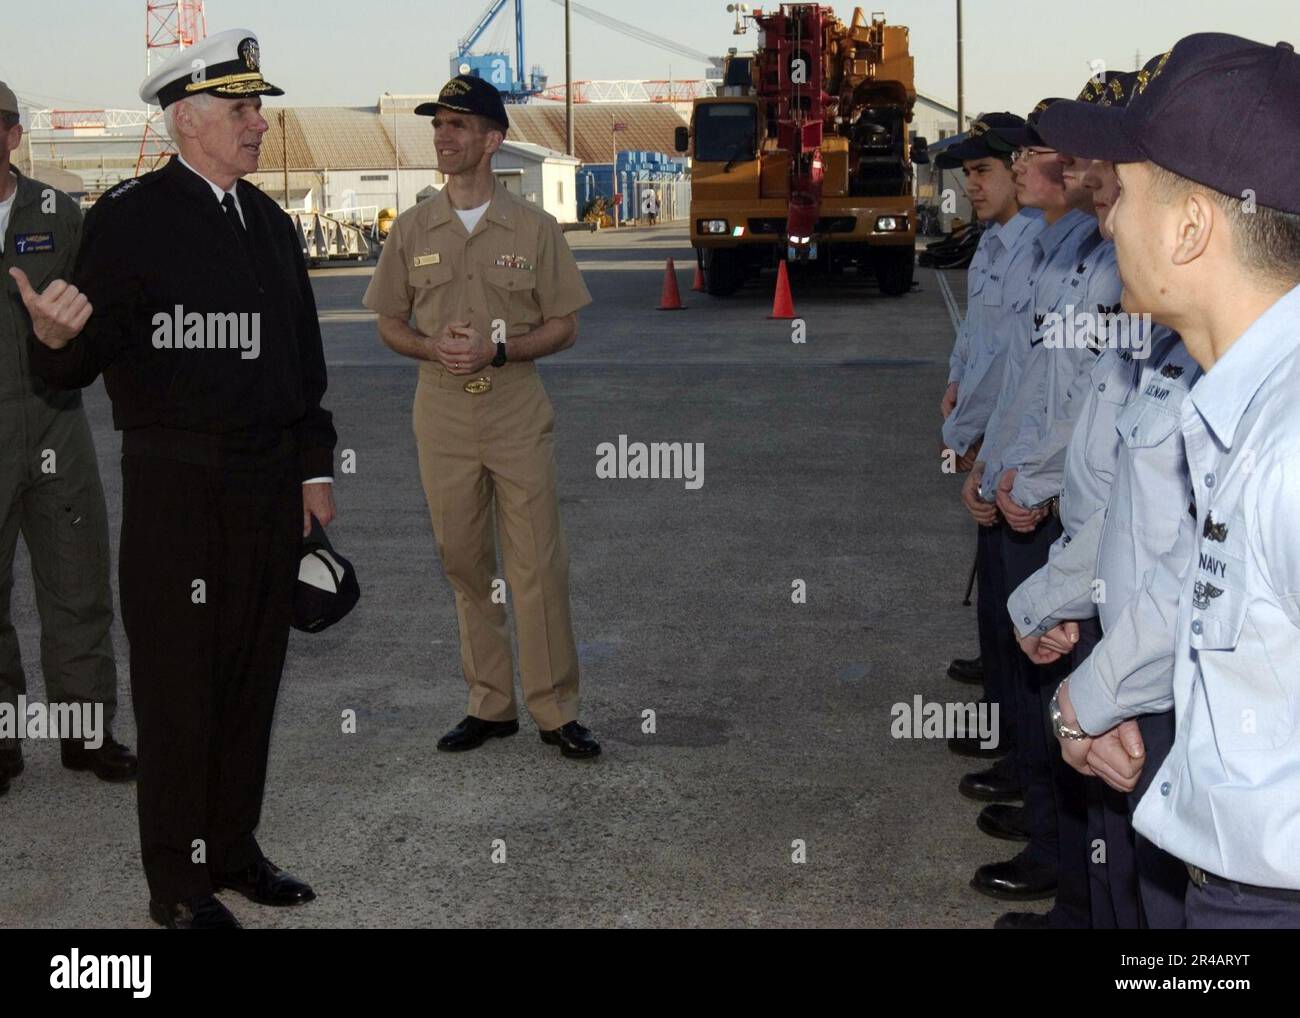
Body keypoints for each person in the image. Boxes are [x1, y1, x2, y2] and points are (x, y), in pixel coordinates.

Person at [16, 29, 337, 929]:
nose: (259, 124)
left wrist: (314, 473)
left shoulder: (270, 225)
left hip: (268, 488)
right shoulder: (130, 218)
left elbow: (304, 371)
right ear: (187, 121)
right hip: (178, 492)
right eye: (241, 109)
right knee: (178, 689)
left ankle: (234, 850)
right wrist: (52, 339)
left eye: (259, 108)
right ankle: (180, 885)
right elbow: (76, 362)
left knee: (248, 679)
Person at [1047, 31, 1300, 928]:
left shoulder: (1288, 443)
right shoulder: (1240, 407)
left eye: (1130, 190)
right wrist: (1109, 706)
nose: (1106, 215)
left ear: (1193, 228)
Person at [363, 75, 600, 760]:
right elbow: (387, 323)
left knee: (537, 565)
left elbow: (564, 327)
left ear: (492, 140)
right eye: (438, 124)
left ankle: (556, 710)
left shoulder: (535, 229)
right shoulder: (412, 229)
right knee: (464, 561)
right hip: (440, 411)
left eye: (458, 125)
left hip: (515, 406)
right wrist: (429, 346)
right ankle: (490, 705)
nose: (443, 136)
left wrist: (501, 349)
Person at [964, 98, 1099, 919]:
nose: (1019, 167)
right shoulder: (1062, 248)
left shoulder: (1102, 259)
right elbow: (1024, 378)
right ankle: (1049, 838)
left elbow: (1086, 401)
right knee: (1034, 674)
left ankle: (1064, 870)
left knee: (1073, 701)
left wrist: (1025, 477)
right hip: (1035, 489)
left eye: (1035, 153)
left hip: (1063, 507)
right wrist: (989, 459)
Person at [0, 82, 136, 795]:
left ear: (14, 135)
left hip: (56, 418)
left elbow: (106, 308)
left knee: (78, 585)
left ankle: (87, 735)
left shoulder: (59, 214)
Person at [933, 113, 1045, 814]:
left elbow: (1017, 362)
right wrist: (953, 389)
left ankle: (1023, 758)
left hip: (1013, 451)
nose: (970, 186)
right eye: (967, 175)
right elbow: (974, 336)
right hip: (990, 439)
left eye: (983, 172)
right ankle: (1007, 728)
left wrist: (964, 431)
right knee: (1000, 604)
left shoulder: (1035, 247)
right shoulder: (994, 243)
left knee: (1021, 618)